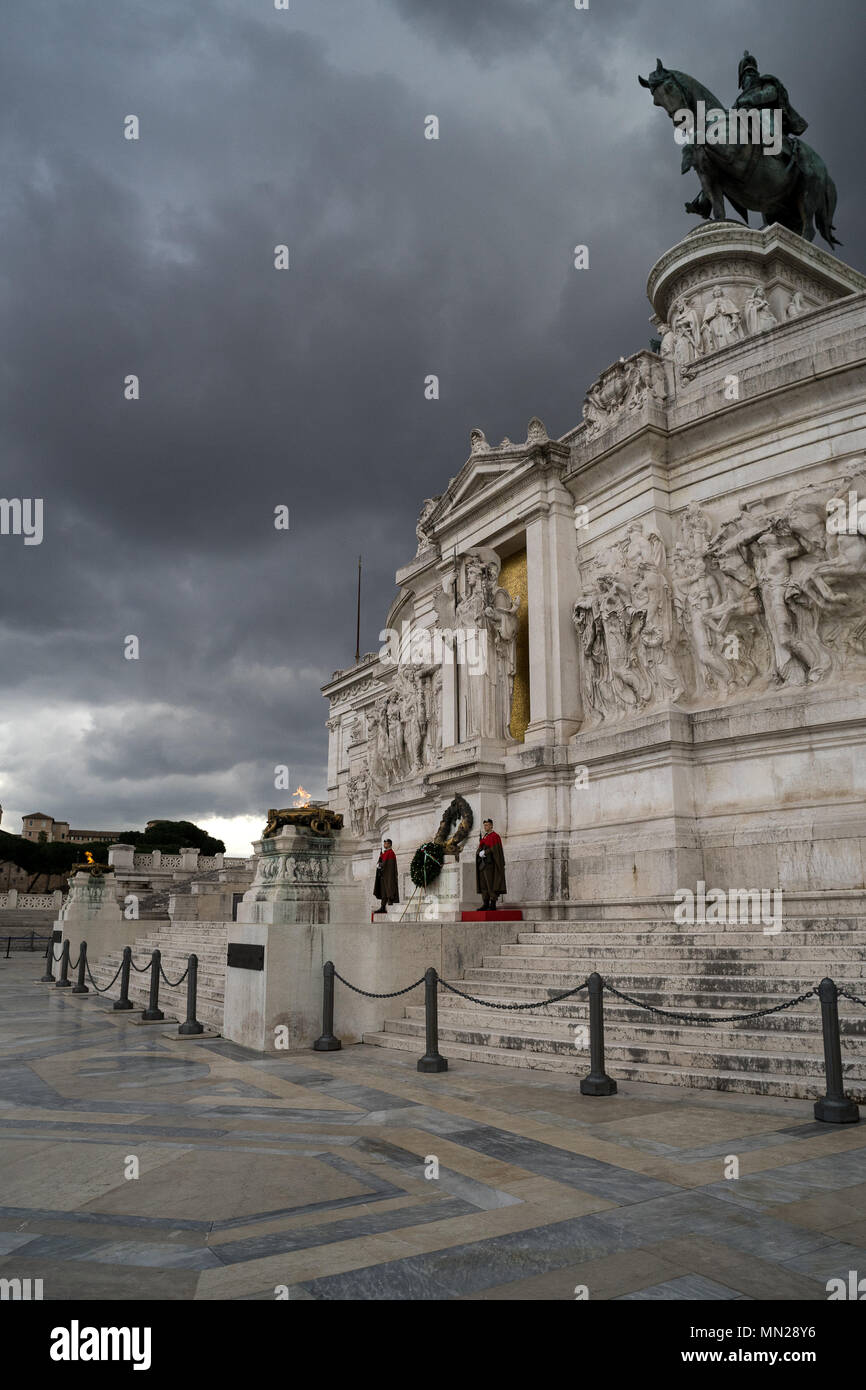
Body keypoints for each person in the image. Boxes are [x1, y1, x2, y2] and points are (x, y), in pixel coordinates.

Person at [476, 818, 506, 911]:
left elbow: (495, 850)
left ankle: (492, 904)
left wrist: (486, 852)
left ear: (492, 825)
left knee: (490, 883)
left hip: (490, 864)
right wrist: (479, 852)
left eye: (488, 825)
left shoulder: (495, 836)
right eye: (485, 825)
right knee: (483, 884)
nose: (486, 827)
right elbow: (481, 847)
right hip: (482, 864)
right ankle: (485, 903)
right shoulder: (484, 836)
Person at [373, 839, 399, 913]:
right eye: (384, 844)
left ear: (390, 844)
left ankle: (387, 906)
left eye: (386, 844)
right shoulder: (385, 853)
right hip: (383, 876)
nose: (385, 845)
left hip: (387, 876)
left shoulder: (390, 853)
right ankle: (383, 907)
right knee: (383, 892)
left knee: (388, 890)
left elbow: (386, 865)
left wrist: (379, 865)